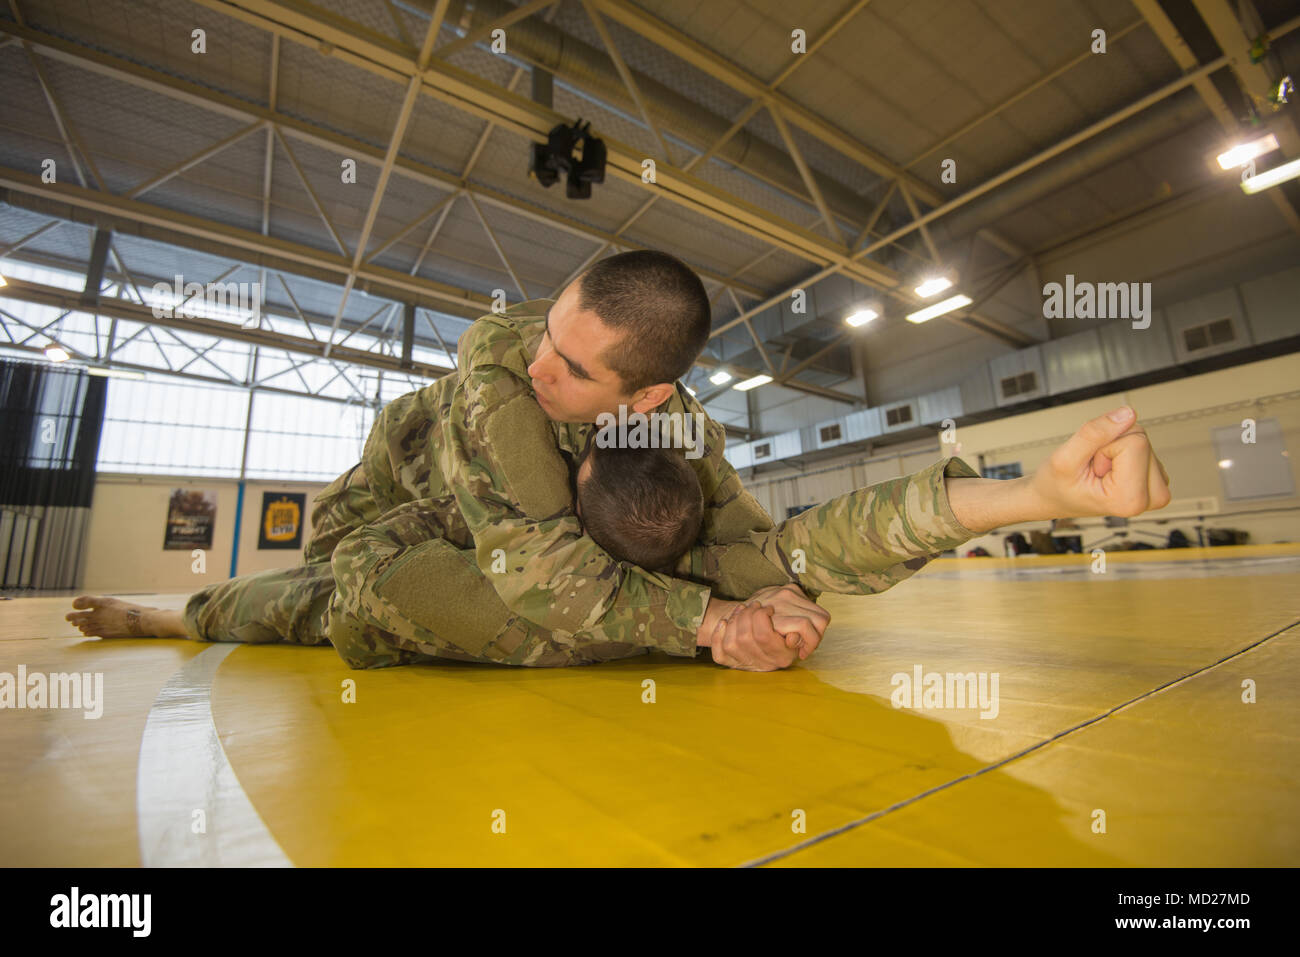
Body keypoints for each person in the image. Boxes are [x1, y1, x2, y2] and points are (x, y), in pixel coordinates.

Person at [66, 250, 1172, 672]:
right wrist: (710, 627)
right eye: (550, 334)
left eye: (577, 370)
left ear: (646, 397)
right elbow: (539, 576)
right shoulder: (501, 391)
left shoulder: (675, 429)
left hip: (531, 534)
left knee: (679, 576)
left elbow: (765, 547)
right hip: (395, 523)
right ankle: (177, 615)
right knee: (365, 608)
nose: (540, 366)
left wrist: (1027, 493)